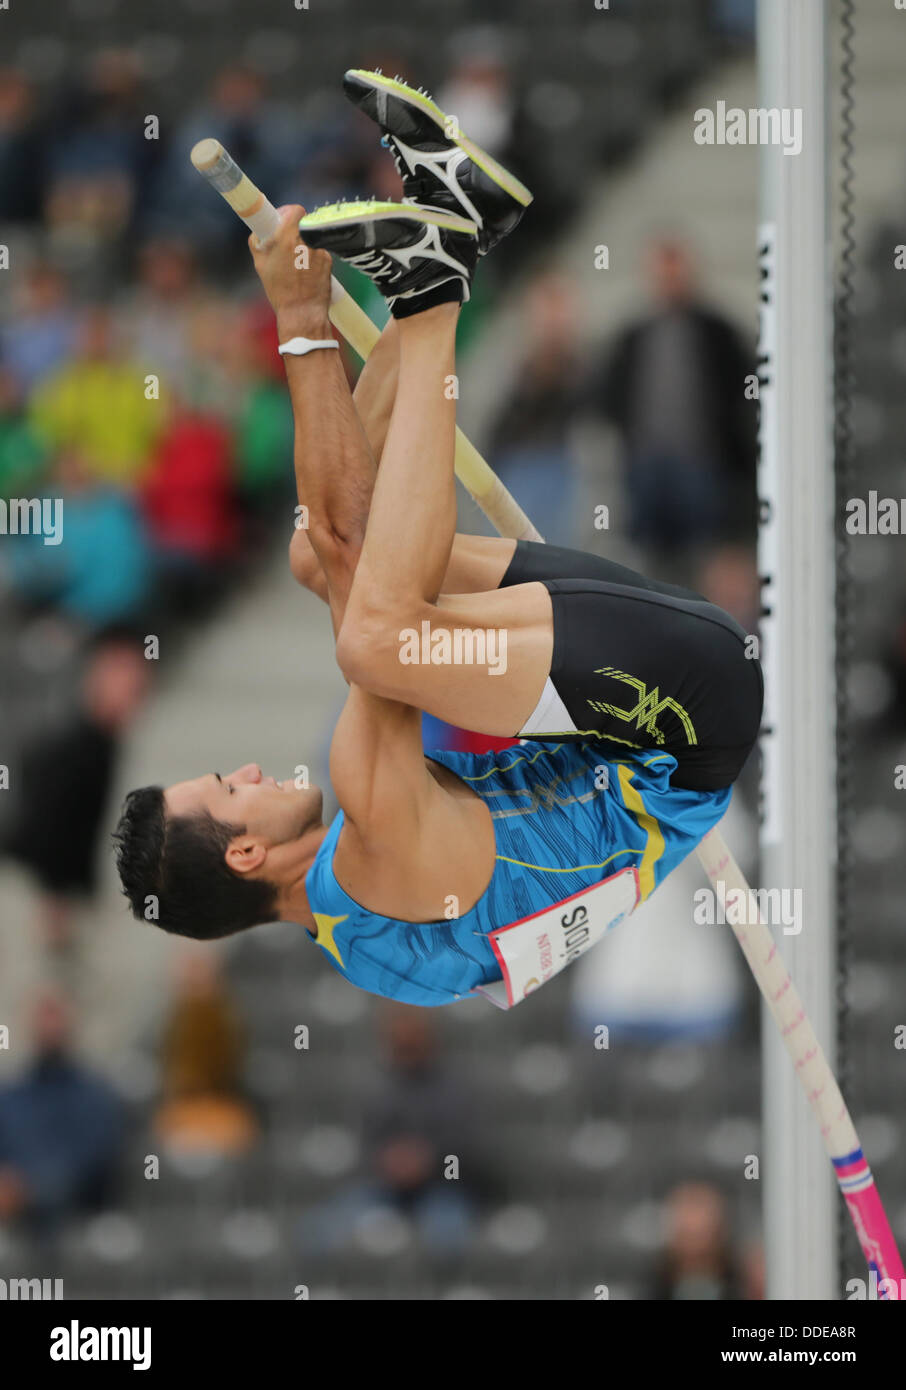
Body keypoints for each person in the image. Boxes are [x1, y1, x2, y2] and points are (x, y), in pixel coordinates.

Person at [113, 71, 762, 1012]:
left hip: (625, 701)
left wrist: (311, 338)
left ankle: (463, 222)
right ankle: (437, 290)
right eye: (228, 787)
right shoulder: (372, 855)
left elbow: (341, 546)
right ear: (246, 852)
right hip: (679, 722)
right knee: (372, 631)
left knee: (333, 578)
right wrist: (300, 325)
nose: (249, 770)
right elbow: (351, 553)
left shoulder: (358, 931)